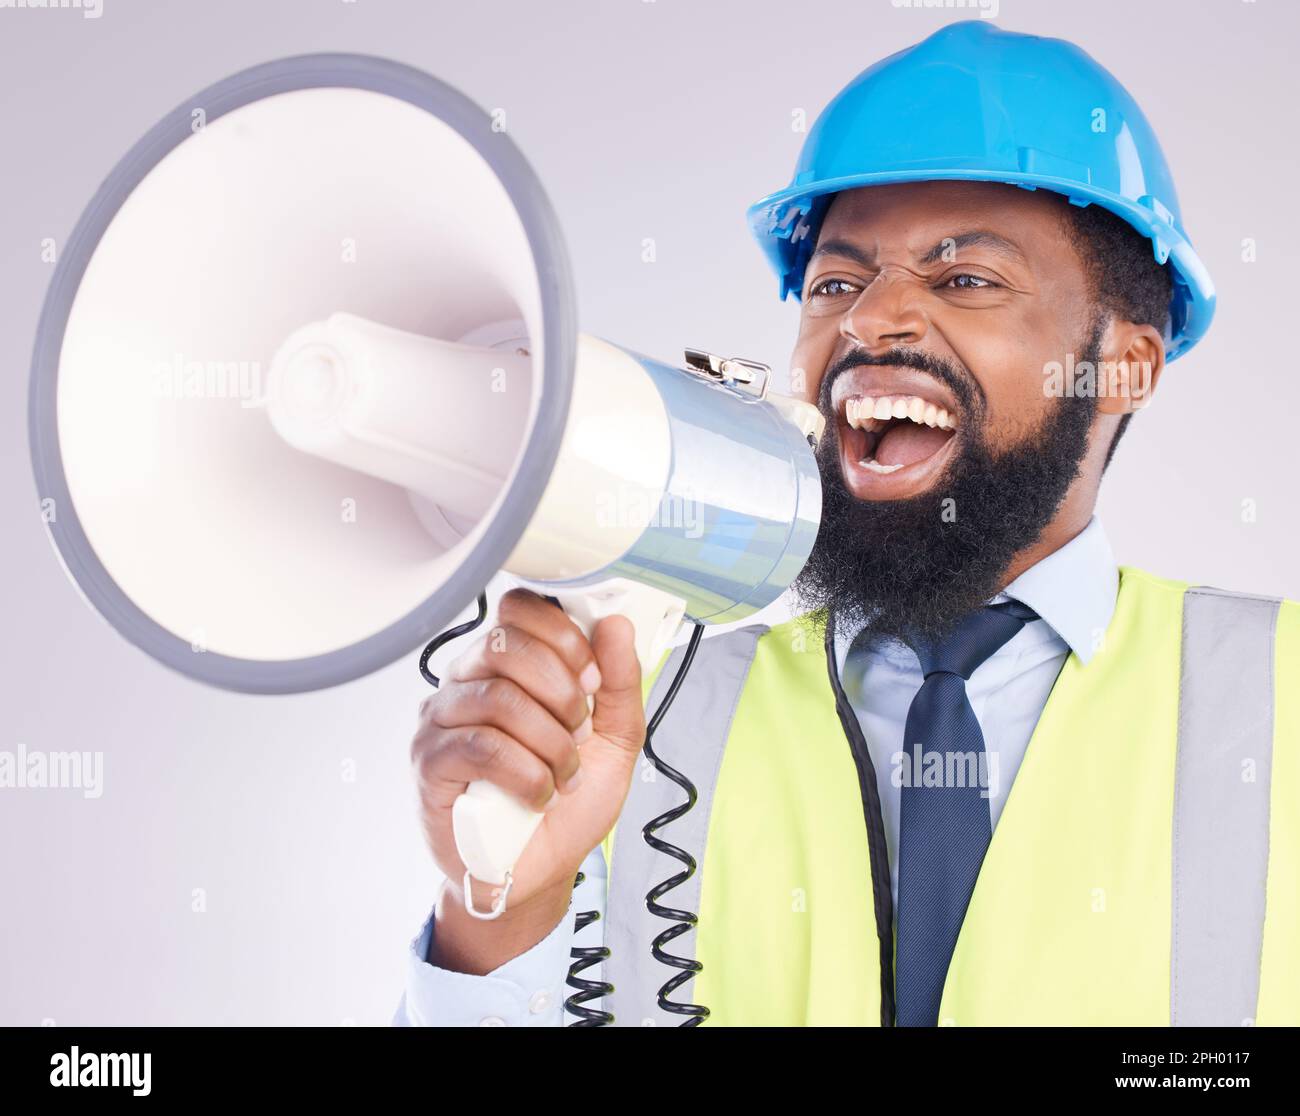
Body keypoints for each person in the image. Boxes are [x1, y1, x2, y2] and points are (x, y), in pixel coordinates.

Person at [395, 21, 1299, 1027]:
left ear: (1123, 363)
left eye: (964, 279)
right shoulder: (629, 718)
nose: (868, 322)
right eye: (835, 282)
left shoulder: (1282, 693)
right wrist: (501, 909)